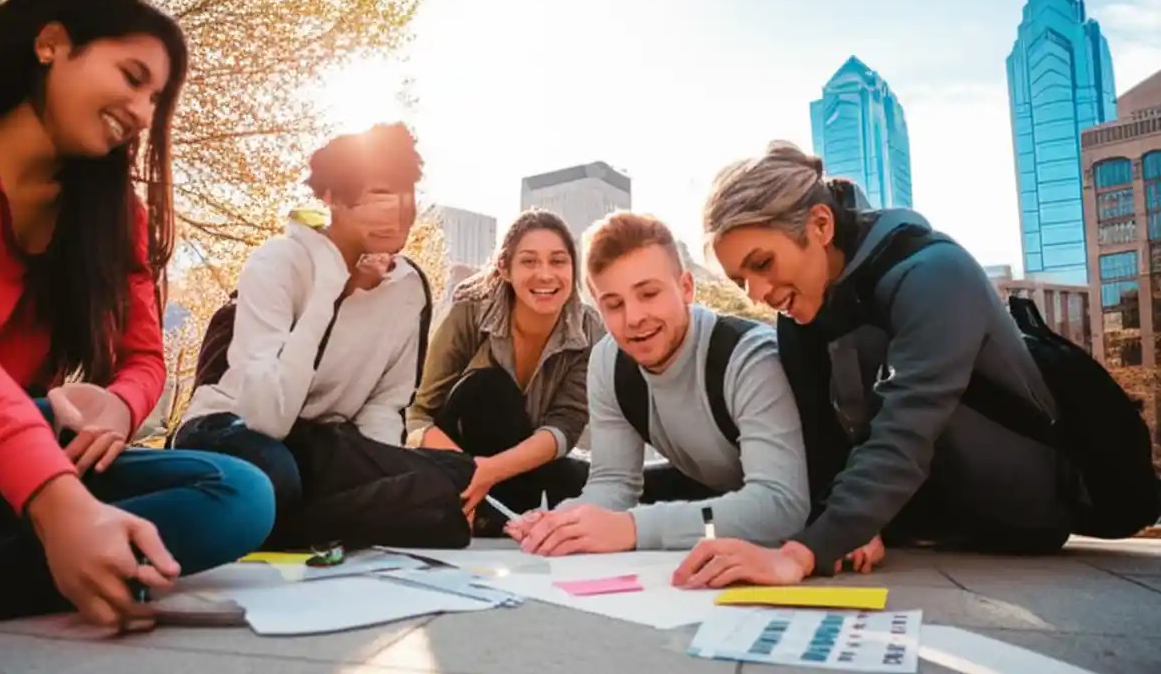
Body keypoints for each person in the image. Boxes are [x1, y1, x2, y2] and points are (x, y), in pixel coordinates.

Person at [0, 0, 275, 637]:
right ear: (51, 44)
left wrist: (119, 404)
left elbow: (145, 354)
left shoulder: (111, 216)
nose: (143, 113)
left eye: (157, 100)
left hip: (22, 453)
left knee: (241, 492)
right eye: (131, 77)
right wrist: (55, 498)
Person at [672, 141, 1079, 589]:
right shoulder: (801, 319)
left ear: (821, 224)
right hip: (923, 523)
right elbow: (821, 446)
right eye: (740, 280)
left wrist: (802, 554)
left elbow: (906, 425)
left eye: (763, 264)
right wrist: (845, 526)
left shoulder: (936, 274)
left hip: (1023, 516)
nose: (756, 293)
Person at [175, 123, 429, 542]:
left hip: (321, 444)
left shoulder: (408, 287)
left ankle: (296, 523)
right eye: (380, 195)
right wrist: (331, 289)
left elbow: (384, 404)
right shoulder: (278, 263)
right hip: (233, 428)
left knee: (416, 481)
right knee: (275, 475)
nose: (399, 211)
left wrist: (384, 476)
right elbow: (267, 417)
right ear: (331, 198)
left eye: (407, 193)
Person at [509, 212, 810, 555]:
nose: (634, 318)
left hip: (824, 519)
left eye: (649, 294)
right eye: (614, 304)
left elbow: (782, 509)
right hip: (716, 498)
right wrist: (561, 523)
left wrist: (634, 529)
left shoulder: (748, 357)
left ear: (686, 288)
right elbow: (613, 485)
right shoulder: (608, 362)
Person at [406, 210, 603, 531]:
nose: (545, 275)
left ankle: (495, 515)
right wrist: (469, 473)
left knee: (592, 481)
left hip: (523, 463)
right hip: (456, 456)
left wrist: (491, 472)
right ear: (505, 268)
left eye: (558, 261)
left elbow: (565, 427)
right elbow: (418, 415)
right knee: (489, 388)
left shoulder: (589, 330)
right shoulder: (471, 307)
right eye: (529, 261)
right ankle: (473, 510)